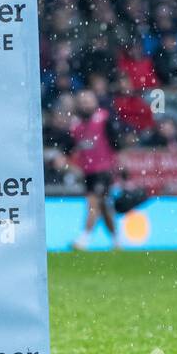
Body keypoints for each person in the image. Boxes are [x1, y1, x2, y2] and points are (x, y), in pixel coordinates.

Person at [69, 90, 121, 250]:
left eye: (88, 101)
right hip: (88, 171)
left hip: (104, 169)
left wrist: (118, 164)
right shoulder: (75, 125)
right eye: (82, 102)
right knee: (103, 207)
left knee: (93, 202)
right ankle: (116, 241)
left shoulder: (104, 119)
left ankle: (84, 239)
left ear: (95, 102)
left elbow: (117, 142)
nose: (85, 104)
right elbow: (71, 148)